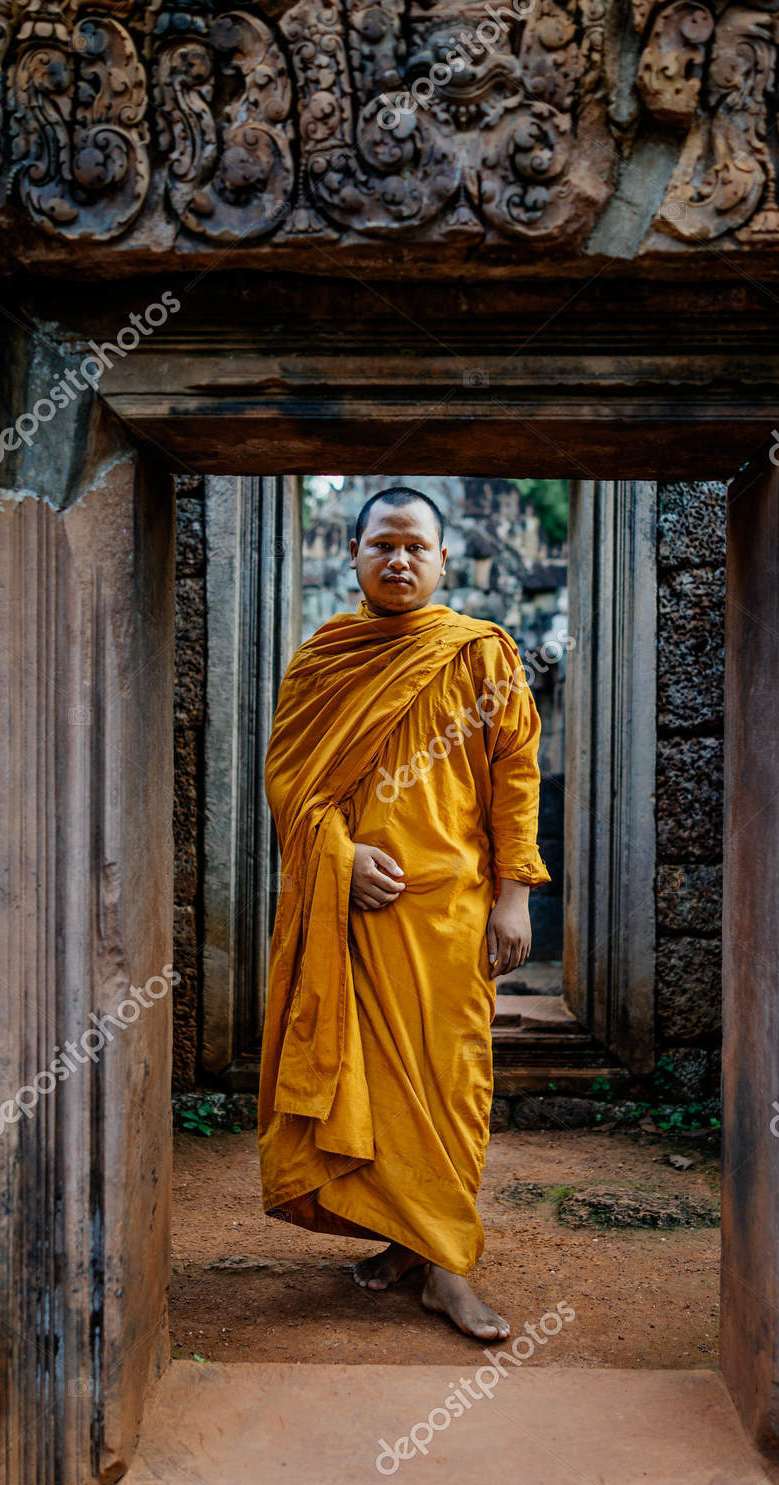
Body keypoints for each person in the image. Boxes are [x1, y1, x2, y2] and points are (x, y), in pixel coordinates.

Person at [258, 486, 550, 1340]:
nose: (399, 560)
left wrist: (513, 896)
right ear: (352, 557)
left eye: (416, 547)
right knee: (372, 1086)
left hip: (451, 915)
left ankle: (448, 1268)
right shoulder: (323, 661)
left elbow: (516, 782)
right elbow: (289, 786)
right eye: (382, 545)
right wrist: (340, 862)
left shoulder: (480, 655)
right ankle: (408, 1241)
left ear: (444, 562)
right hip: (349, 919)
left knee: (450, 1084)